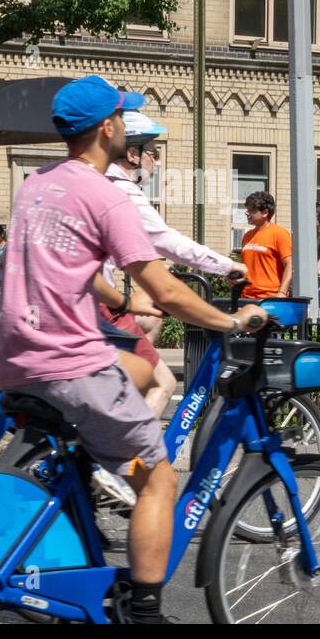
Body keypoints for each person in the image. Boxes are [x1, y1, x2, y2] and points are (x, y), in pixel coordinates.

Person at [0, 74, 269, 624]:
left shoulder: (36, 183)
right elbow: (165, 287)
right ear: (105, 128)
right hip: (71, 364)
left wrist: (119, 300)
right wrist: (230, 320)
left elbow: (72, 266)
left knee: (145, 373)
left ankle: (90, 477)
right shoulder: (107, 195)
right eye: (122, 117)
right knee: (159, 479)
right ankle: (145, 611)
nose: (127, 128)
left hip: (14, 358)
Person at [100, 110, 246, 417]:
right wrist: (227, 265)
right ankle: (128, 460)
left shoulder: (98, 181)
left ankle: (117, 403)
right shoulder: (122, 191)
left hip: (88, 301)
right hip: (95, 306)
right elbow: (166, 241)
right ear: (132, 153)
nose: (158, 161)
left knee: (151, 318)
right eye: (153, 152)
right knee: (162, 384)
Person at [239, 191, 293, 300]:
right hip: (245, 298)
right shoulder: (247, 236)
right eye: (247, 209)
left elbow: (290, 265)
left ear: (265, 213)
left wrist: (282, 293)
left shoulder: (279, 233)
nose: (247, 213)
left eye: (252, 210)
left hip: (270, 299)